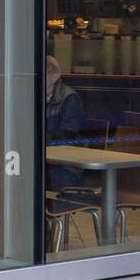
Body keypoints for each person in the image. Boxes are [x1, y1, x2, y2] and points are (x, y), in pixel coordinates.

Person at [46, 55, 84, 191]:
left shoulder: (69, 99)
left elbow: (67, 135)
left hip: (65, 166)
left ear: (54, 77)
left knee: (31, 177)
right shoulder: (35, 96)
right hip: (43, 161)